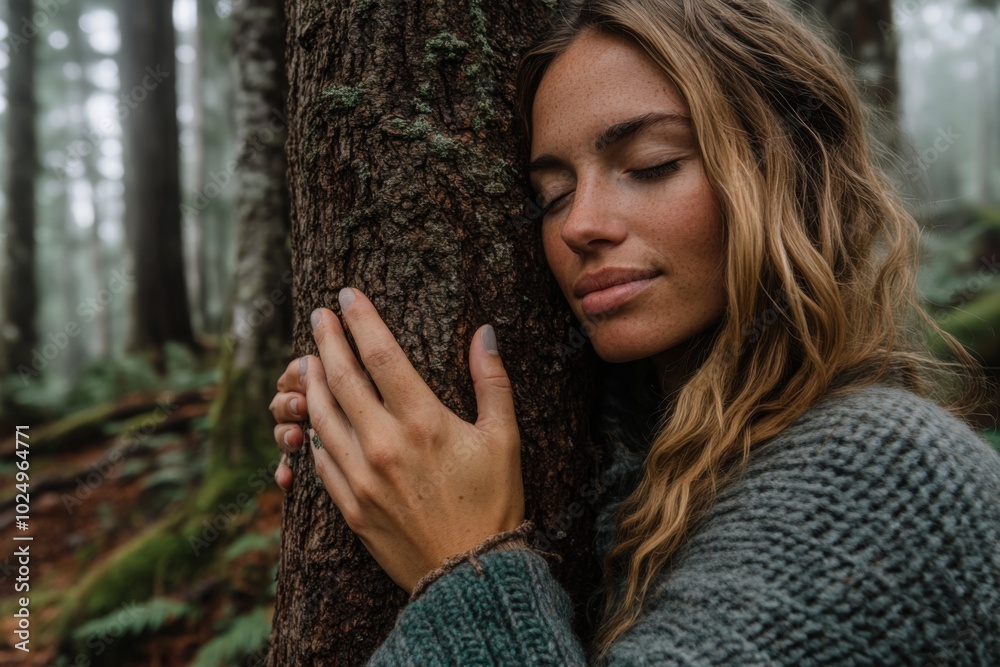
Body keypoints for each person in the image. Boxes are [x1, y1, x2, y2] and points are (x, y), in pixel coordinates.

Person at [267, 0, 1000, 664]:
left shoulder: (885, 472)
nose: (581, 224)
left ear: (788, 170)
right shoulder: (639, 470)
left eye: (650, 165)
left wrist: (466, 566)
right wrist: (369, 434)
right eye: (550, 194)